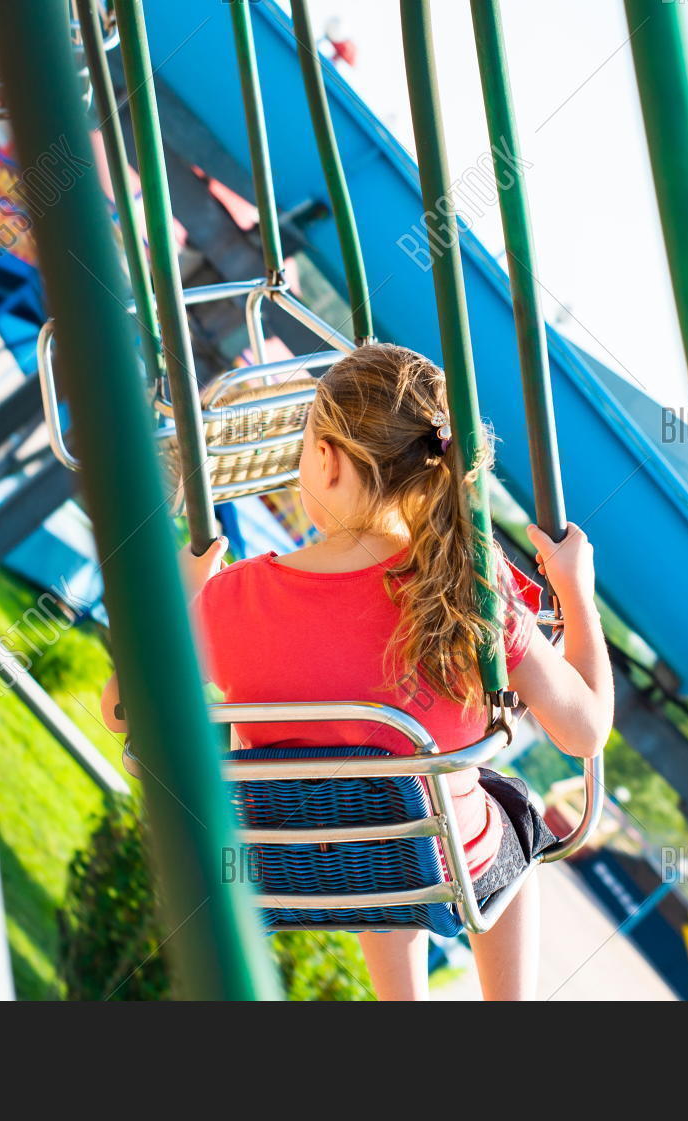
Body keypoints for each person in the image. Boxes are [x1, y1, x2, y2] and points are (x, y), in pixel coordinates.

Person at [101, 343, 613, 1000]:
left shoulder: (231, 600)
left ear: (326, 458)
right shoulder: (468, 591)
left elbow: (121, 711)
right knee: (501, 806)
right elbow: (585, 732)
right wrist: (577, 594)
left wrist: (171, 606)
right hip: (433, 864)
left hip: (292, 862)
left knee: (379, 803)